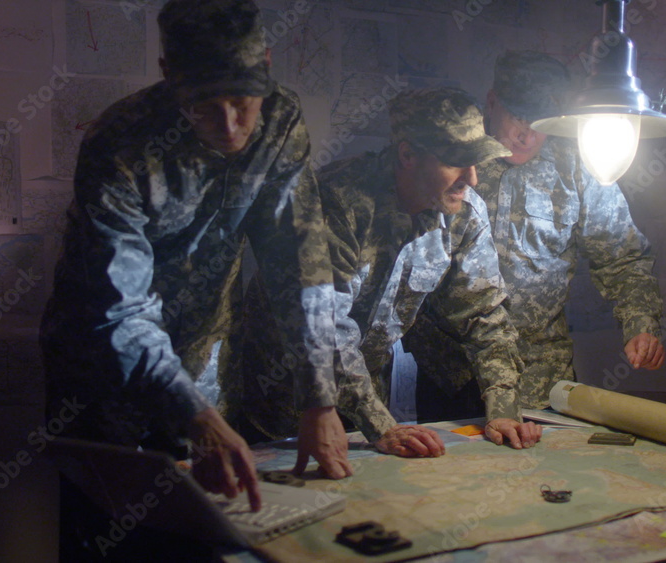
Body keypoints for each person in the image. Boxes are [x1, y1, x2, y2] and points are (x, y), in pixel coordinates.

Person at [40, 3, 355, 556]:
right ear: (168, 74)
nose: (230, 126)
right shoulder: (120, 141)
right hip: (100, 371)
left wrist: (319, 398)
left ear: (267, 63)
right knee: (110, 537)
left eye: (241, 101)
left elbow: (299, 265)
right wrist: (195, 415)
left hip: (206, 351)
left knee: (209, 536)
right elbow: (119, 310)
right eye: (205, 107)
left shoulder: (281, 121)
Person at [226, 87, 542, 454]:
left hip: (365, 410)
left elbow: (484, 313)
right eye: (456, 162)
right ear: (407, 154)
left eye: (475, 163)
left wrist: (502, 408)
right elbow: (328, 328)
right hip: (284, 404)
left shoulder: (464, 214)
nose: (471, 179)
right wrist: (381, 426)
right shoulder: (336, 202)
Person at [403, 50, 666, 422]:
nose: (528, 135)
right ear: (492, 102)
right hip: (452, 375)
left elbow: (623, 256)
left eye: (542, 123)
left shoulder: (577, 166)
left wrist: (640, 323)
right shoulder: (455, 156)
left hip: (538, 379)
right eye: (519, 118)